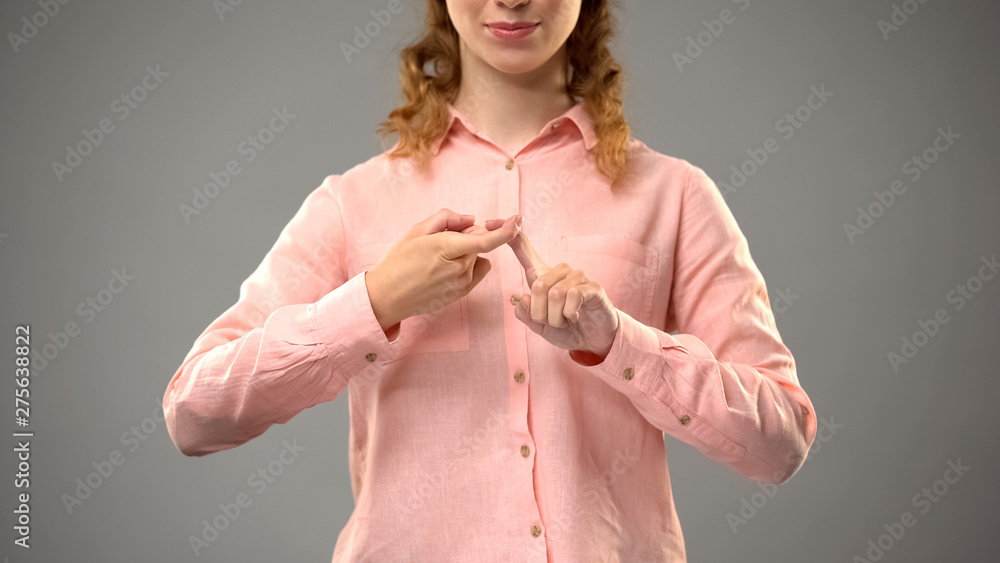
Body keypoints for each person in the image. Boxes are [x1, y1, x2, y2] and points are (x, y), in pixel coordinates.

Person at [163, 0, 818, 560]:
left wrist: (620, 344)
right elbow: (194, 414)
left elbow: (778, 442)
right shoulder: (349, 203)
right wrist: (374, 301)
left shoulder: (674, 195)